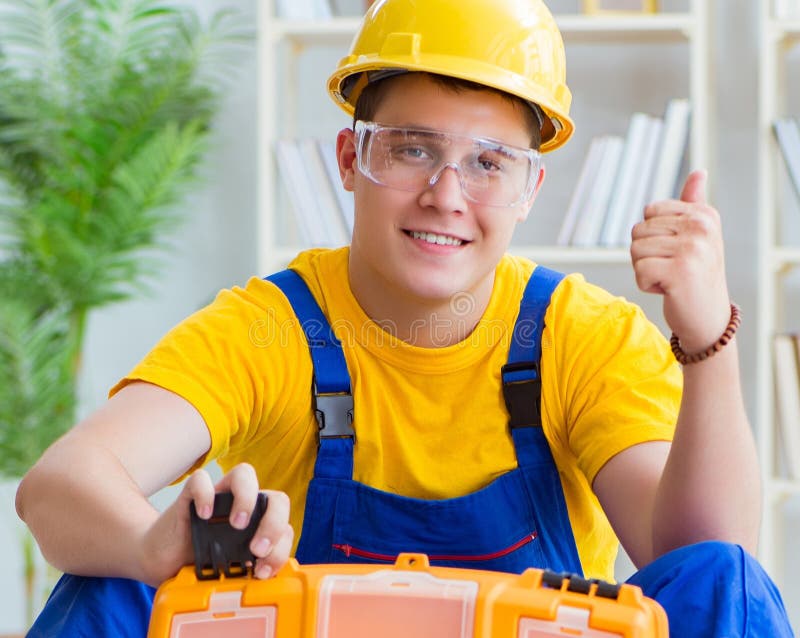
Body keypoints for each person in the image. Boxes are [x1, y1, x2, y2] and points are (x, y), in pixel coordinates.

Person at [15, 0, 794, 635]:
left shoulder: (582, 335)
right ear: (350, 160)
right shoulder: (268, 329)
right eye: (413, 150)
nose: (447, 196)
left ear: (530, 189)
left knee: (723, 574)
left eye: (489, 163)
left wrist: (708, 339)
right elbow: (57, 486)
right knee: (108, 581)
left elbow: (708, 568)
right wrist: (149, 545)